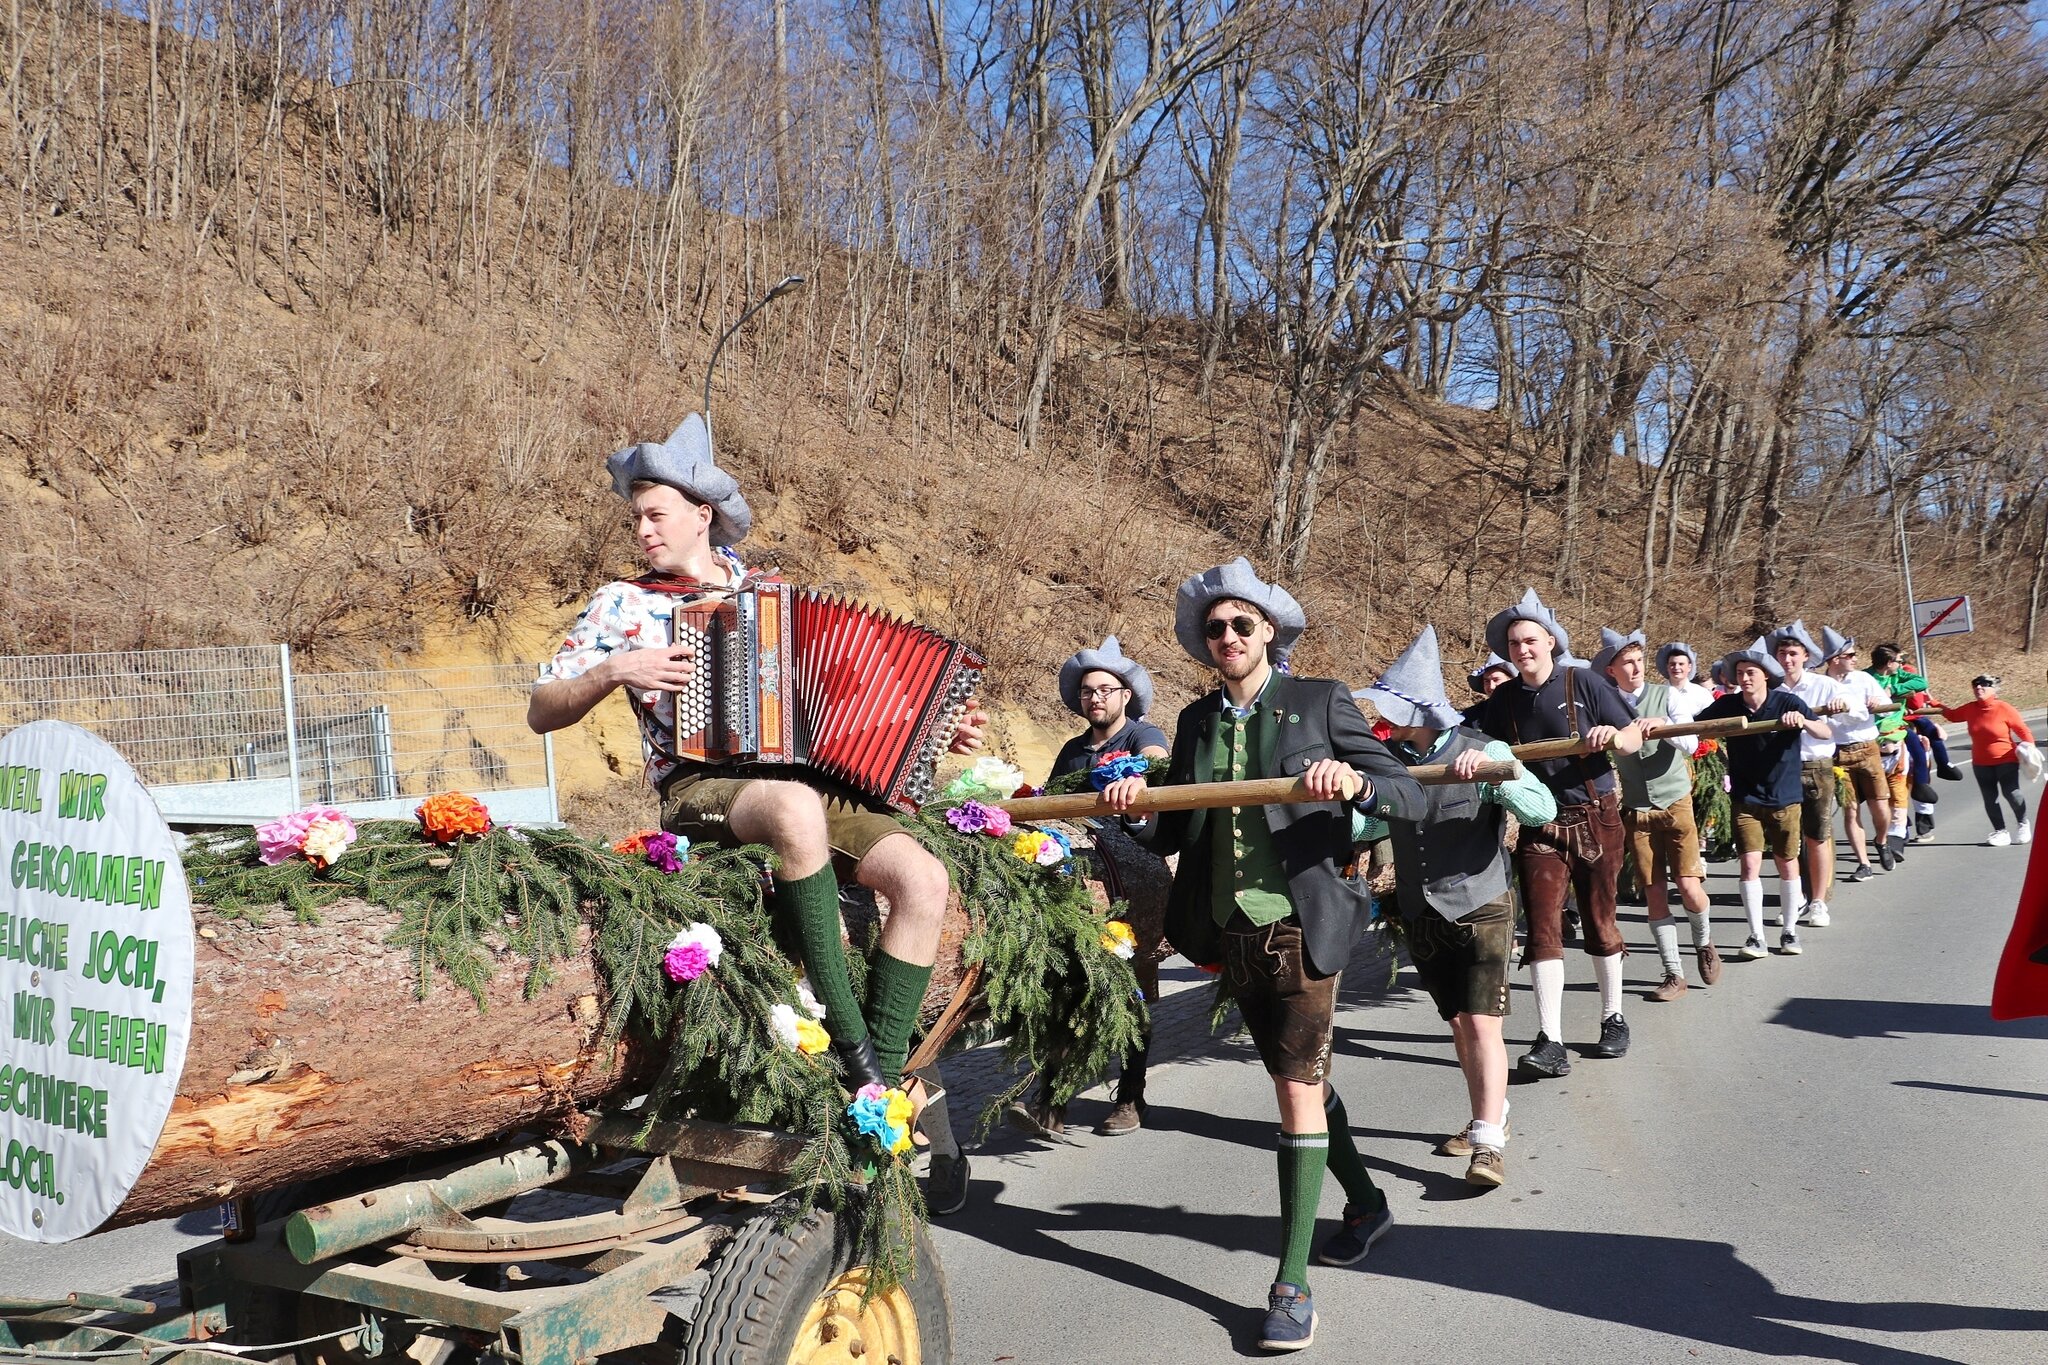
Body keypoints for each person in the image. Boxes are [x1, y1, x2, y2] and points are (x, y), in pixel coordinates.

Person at [528, 413, 986, 1116]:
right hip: (696, 787)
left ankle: (879, 1087)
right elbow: (543, 707)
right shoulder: (622, 605)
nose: (642, 530)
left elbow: (848, 700)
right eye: (636, 518)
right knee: (794, 808)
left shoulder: (768, 592)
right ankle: (854, 1053)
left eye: (655, 514)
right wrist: (617, 668)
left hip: (800, 780)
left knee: (923, 878)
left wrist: (930, 731)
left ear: (701, 513)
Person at [1101, 557, 1424, 1354]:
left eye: (1242, 624)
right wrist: (1135, 812)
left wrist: (1351, 780)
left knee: (1292, 1091)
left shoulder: (1319, 700)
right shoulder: (1196, 722)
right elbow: (1176, 829)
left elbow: (1405, 791)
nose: (1228, 637)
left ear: (1269, 631)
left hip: (1303, 925)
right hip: (1228, 928)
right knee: (1304, 1077)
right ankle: (1369, 1205)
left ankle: (1292, 1285)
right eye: (1215, 628)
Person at [1359, 626, 1554, 1188]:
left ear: (1421, 709)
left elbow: (1540, 809)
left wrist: (1502, 779)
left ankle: (1488, 1143)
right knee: (1460, 1025)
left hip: (1481, 903)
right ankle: (1488, 1117)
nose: (1386, 718)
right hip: (1422, 909)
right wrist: (1341, 806)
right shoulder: (1391, 760)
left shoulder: (1482, 747)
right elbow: (1370, 822)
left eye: (1394, 708)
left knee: (1483, 1025)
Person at [1454, 589, 1646, 1079]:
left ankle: (1613, 1016)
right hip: (1540, 822)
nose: (1523, 650)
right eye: (1515, 643)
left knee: (1601, 921)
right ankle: (1551, 1039)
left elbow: (1633, 735)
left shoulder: (1584, 683)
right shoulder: (1503, 700)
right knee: (1542, 930)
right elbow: (1475, 741)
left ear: (1551, 643)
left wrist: (1612, 738)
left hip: (1597, 816)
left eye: (1531, 640)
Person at [1009, 637, 1171, 1139]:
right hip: (1078, 877)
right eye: (1086, 692)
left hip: (1132, 880)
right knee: (1066, 983)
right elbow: (1052, 804)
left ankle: (1131, 1094)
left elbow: (1159, 763)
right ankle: (1052, 1098)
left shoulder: (1144, 735)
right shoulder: (1073, 751)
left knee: (1133, 985)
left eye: (1105, 689)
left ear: (1126, 695)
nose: (1095, 698)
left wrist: (1139, 778)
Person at [1595, 629, 1720, 999]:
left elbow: (1691, 742)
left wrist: (1663, 728)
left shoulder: (1666, 696)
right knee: (1654, 891)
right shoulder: (1605, 704)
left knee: (1688, 887)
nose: (1634, 669)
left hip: (1675, 800)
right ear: (1611, 671)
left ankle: (1704, 941)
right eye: (1625, 664)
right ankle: (1672, 974)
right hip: (1636, 806)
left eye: (1638, 662)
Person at [1687, 641, 1832, 957]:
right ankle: (1756, 937)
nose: (1745, 678)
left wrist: (1803, 722)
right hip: (1745, 798)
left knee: (1786, 862)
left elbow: (1824, 732)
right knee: (1750, 864)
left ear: (1766, 676)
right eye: (1740, 673)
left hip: (1785, 797)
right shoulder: (1728, 704)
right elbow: (1696, 726)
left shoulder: (1786, 702)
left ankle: (1790, 932)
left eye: (1751, 672)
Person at [1767, 621, 1846, 928]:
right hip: (1781, 768)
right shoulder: (1773, 690)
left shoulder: (1823, 685)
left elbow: (1854, 712)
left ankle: (1818, 901)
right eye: (1782, 654)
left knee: (1817, 836)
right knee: (1787, 838)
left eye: (1793, 654)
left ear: (1804, 656)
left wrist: (1842, 704)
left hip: (1815, 767)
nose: (1787, 659)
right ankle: (1797, 897)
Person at [1817, 627, 1896, 880]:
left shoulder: (1863, 679)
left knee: (1880, 807)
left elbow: (1886, 710)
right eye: (1850, 654)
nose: (1855, 658)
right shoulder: (1821, 684)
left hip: (1867, 749)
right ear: (1835, 659)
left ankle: (1881, 841)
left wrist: (1878, 704)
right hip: (1838, 753)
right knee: (1850, 810)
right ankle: (1864, 864)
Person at [1936, 676, 2036, 847]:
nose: (1979, 687)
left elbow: (2022, 729)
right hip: (1980, 762)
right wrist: (1935, 703)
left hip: (2006, 758)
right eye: (1975, 685)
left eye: (1984, 684)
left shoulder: (2004, 708)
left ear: (1994, 689)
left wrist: (2030, 748)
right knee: (1990, 798)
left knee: (2011, 793)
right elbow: (1952, 715)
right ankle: (2000, 832)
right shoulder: (1970, 708)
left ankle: (2023, 823)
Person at [1656, 642, 1715, 721]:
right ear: (1667, 666)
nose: (1676, 667)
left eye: (1681, 664)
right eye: (1672, 664)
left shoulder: (1702, 694)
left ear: (1689, 667)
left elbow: (1712, 721)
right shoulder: (1657, 695)